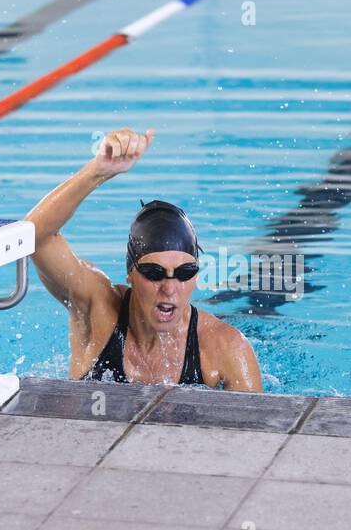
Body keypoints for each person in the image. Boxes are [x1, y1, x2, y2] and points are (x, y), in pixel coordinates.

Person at [24, 127, 262, 391]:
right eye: (154, 273)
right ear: (131, 274)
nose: (169, 288)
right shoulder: (98, 310)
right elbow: (34, 237)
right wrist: (97, 171)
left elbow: (256, 419)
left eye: (184, 273)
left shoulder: (226, 349)